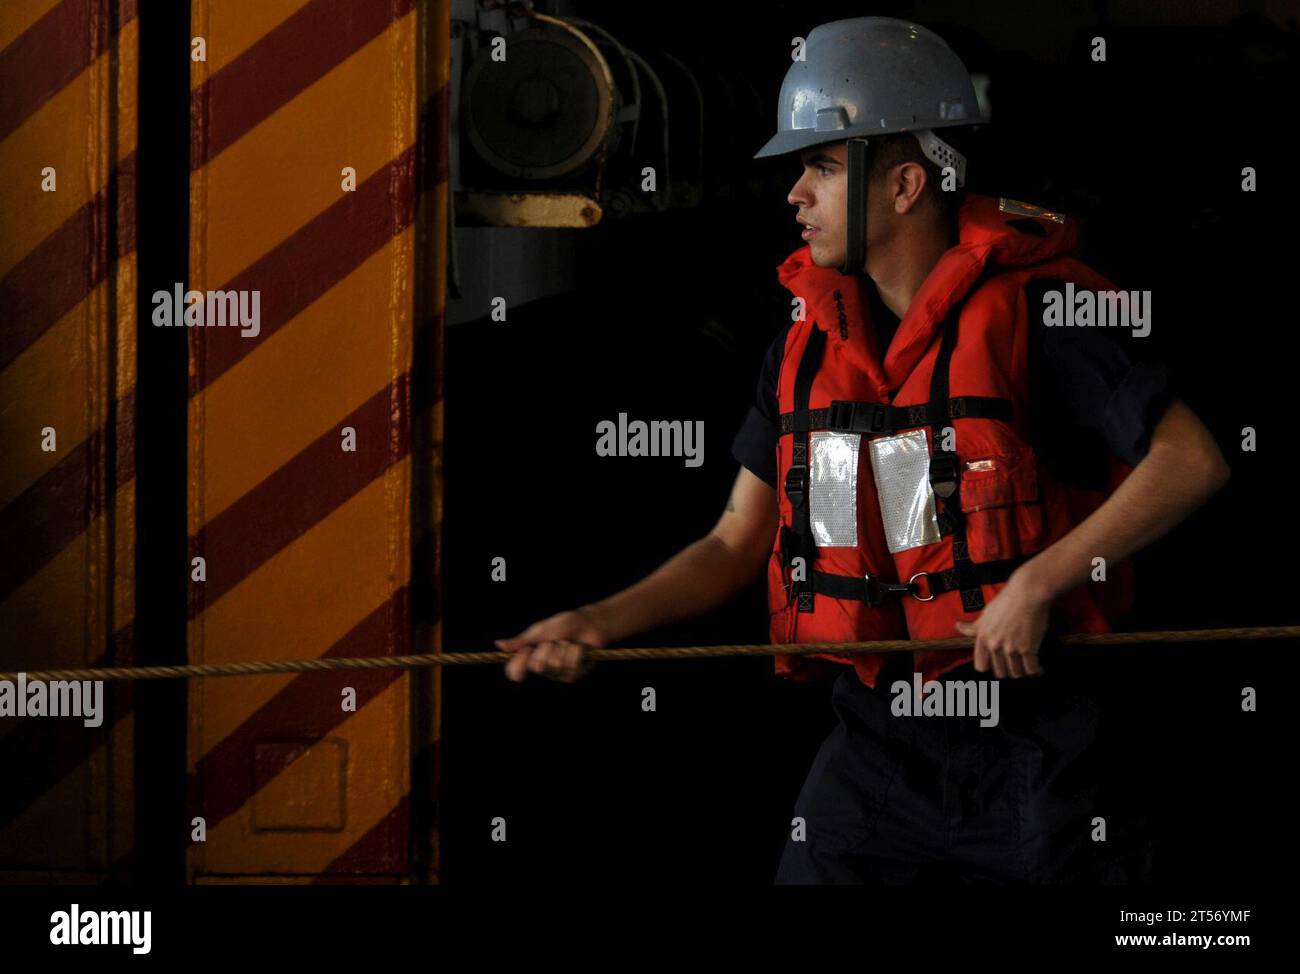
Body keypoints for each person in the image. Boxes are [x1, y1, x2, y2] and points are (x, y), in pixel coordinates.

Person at [496, 16, 1230, 883]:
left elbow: (1192, 461)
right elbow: (732, 544)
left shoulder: (1041, 316)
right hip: (878, 753)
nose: (794, 193)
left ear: (906, 183)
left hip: (1045, 750)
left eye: (823, 166)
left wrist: (1034, 585)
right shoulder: (806, 343)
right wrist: (599, 621)